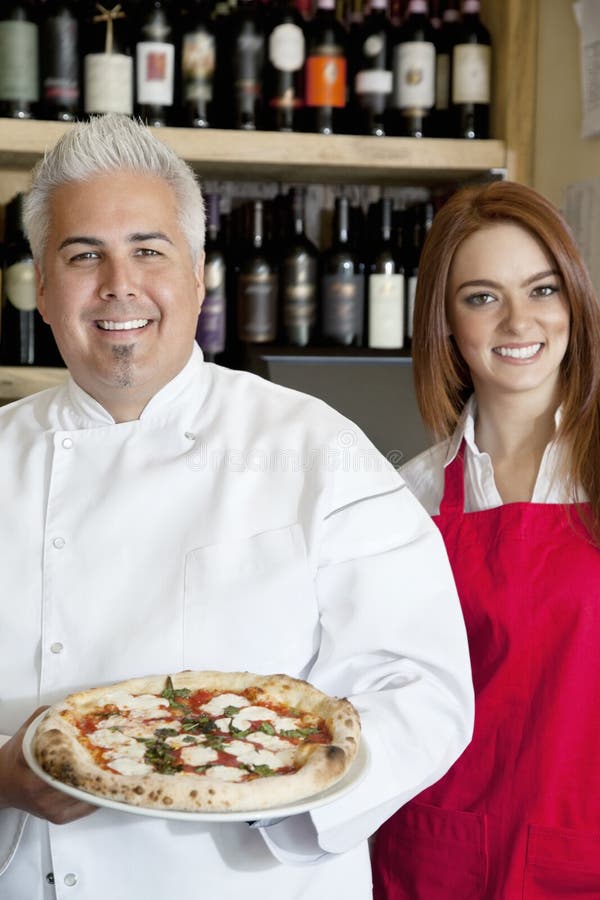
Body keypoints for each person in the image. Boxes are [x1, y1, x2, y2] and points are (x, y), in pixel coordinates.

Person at [0, 114, 473, 900]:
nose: (119, 284)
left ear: (197, 274)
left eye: (149, 250)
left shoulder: (317, 449)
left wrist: (270, 786)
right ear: (42, 289)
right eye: (84, 255)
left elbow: (423, 689)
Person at [372, 179, 600, 899]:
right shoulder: (402, 501)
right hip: (436, 856)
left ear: (575, 302)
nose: (518, 321)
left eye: (542, 290)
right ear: (444, 321)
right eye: (481, 297)